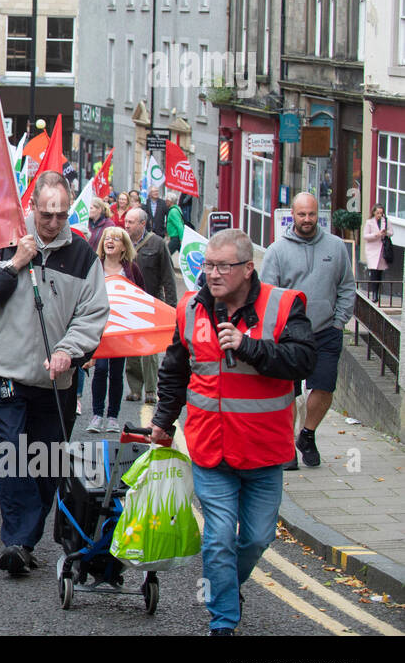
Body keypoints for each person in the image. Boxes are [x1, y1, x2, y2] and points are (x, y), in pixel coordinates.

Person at [152, 229, 315, 635]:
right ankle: (223, 621)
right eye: (208, 265)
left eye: (223, 266)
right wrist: (163, 420)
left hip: (264, 451)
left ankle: (226, 588)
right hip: (211, 449)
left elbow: (303, 361)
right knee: (219, 539)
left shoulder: (283, 306)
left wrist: (249, 347)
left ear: (247, 269)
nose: (212, 274)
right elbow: (175, 370)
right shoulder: (189, 308)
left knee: (258, 539)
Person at [0, 170, 109, 577]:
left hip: (55, 379)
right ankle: (18, 541)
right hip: (4, 374)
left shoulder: (83, 255)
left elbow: (93, 314)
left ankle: (26, 536)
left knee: (46, 462)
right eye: (46, 214)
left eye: (61, 214)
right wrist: (13, 264)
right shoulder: (4, 239)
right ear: (32, 208)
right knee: (13, 455)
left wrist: (68, 350)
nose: (53, 222)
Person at [258, 192, 355, 469]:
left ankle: (307, 434)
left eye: (312, 214)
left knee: (324, 386)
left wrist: (339, 321)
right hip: (289, 333)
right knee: (287, 391)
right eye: (302, 214)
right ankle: (287, 445)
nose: (307, 219)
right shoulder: (277, 250)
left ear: (318, 214)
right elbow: (268, 294)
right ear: (293, 214)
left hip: (326, 330)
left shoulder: (336, 247)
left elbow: (347, 286)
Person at [85, 226, 143, 433]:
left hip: (121, 329)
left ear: (124, 247)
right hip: (99, 328)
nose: (110, 241)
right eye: (107, 238)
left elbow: (141, 295)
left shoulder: (131, 269)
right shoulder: (94, 266)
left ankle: (112, 417)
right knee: (100, 369)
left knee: (116, 373)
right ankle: (97, 415)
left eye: (116, 239)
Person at [123, 206, 179, 404]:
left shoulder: (156, 243)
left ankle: (150, 390)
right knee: (131, 349)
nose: (126, 225)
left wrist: (172, 308)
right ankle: (135, 389)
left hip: (152, 302)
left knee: (149, 349)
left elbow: (168, 277)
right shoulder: (123, 242)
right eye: (126, 221)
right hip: (128, 304)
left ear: (142, 224)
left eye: (130, 222)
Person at [362, 203, 392, 304]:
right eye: (378, 213)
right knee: (374, 273)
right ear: (374, 212)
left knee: (379, 273)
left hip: (382, 251)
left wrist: (385, 233)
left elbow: (391, 232)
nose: (379, 215)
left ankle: (377, 293)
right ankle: (374, 294)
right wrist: (376, 234)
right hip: (372, 250)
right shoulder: (369, 222)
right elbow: (365, 236)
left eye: (381, 213)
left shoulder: (386, 221)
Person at [166, 191, 185, 255]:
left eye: (166, 201)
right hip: (175, 236)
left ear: (170, 201)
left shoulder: (173, 211)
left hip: (175, 237)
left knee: (166, 254)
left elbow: (179, 225)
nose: (165, 202)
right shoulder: (177, 209)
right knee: (182, 255)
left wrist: (181, 239)